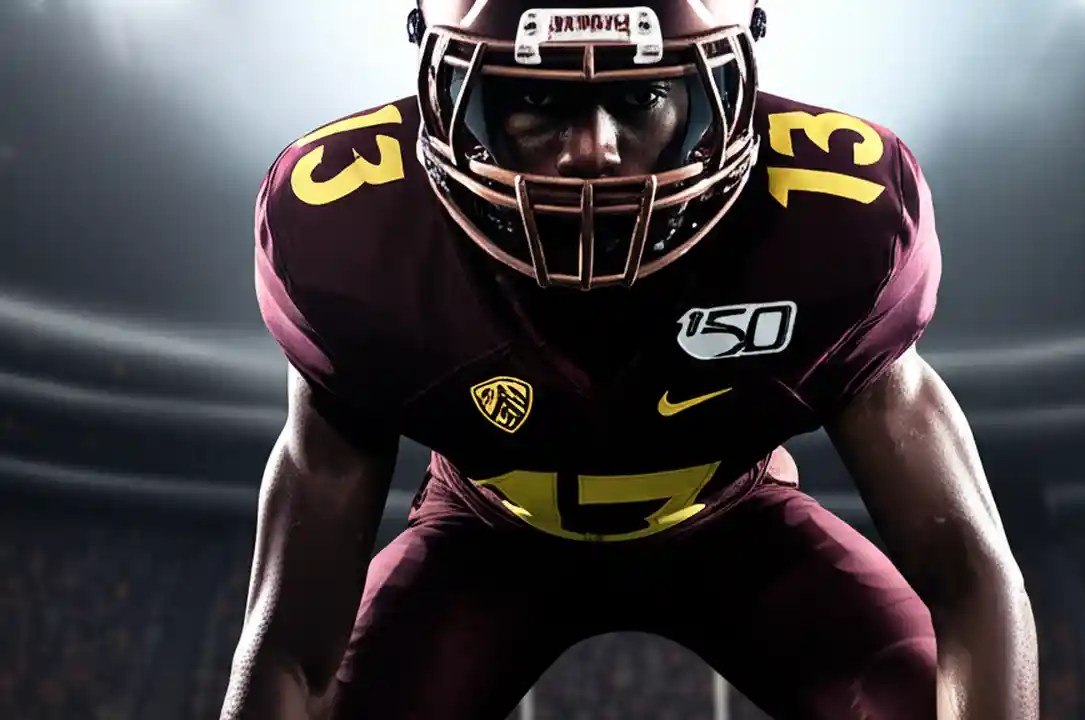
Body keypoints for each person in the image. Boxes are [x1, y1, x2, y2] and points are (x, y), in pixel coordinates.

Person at [222, 2, 1039, 718]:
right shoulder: (356, 235)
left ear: (721, 92)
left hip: (737, 527)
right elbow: (292, 645)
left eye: (643, 95)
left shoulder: (838, 219)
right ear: (452, 100)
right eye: (538, 99)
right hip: (485, 539)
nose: (594, 154)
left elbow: (970, 576)